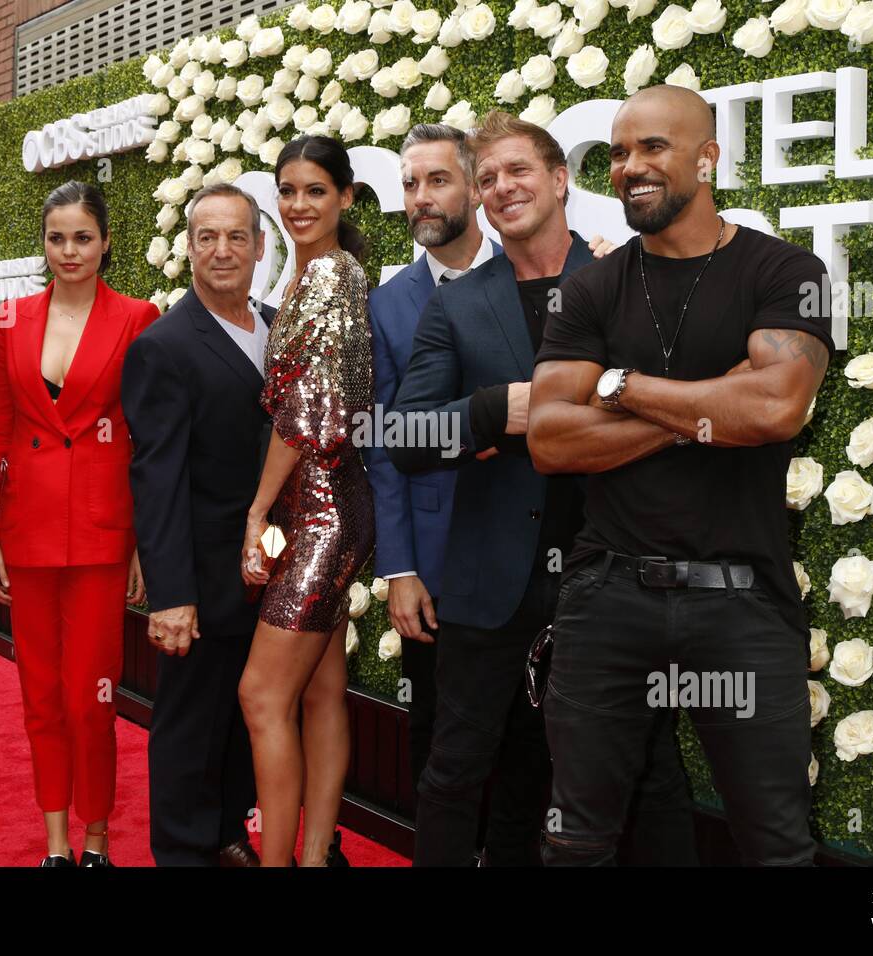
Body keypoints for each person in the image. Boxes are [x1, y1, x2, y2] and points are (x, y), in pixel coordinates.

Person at [528, 85, 833, 867]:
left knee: (777, 846)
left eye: (653, 148)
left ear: (707, 157)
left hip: (743, 600)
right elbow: (552, 441)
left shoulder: (784, 269)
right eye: (621, 152)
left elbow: (773, 410)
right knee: (576, 841)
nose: (630, 167)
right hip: (606, 597)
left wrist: (620, 387)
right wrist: (707, 410)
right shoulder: (592, 286)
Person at [388, 111, 696, 867]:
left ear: (561, 181)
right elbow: (405, 437)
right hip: (491, 584)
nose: (501, 188)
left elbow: (684, 406)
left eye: (517, 171)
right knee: (457, 770)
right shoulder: (455, 304)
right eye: (487, 178)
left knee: (648, 769)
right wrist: (501, 409)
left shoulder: (627, 281)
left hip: (616, 574)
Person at [0, 180, 156, 867]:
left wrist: (144, 538)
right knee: (41, 695)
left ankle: (96, 835)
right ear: (44, 243)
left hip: (102, 535)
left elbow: (149, 435)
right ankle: (55, 841)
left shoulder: (137, 317)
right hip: (26, 533)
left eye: (83, 237)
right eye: (57, 238)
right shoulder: (13, 317)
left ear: (106, 241)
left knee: (93, 697)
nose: (69, 250)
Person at [122, 183, 276, 867]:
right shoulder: (165, 345)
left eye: (236, 237)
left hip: (272, 574)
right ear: (188, 247)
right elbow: (156, 481)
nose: (222, 251)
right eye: (207, 237)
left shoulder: (278, 326)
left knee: (248, 717)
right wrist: (171, 594)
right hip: (201, 579)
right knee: (190, 725)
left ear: (259, 247)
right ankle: (184, 850)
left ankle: (226, 835)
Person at [238, 135, 374, 867]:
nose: (297, 205)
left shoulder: (330, 276)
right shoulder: (311, 275)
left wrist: (259, 512)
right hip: (323, 505)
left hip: (318, 512)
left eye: (315, 191)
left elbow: (303, 413)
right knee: (320, 690)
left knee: (261, 696)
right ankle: (315, 858)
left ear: (346, 197)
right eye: (287, 191)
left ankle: (282, 861)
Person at [365, 124, 498, 793]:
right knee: (438, 732)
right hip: (435, 561)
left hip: (528, 552)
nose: (422, 197)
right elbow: (384, 449)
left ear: (476, 187)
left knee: (529, 736)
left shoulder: (533, 277)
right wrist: (401, 568)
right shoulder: (387, 306)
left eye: (438, 180)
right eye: (411, 184)